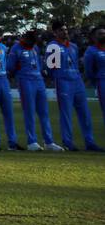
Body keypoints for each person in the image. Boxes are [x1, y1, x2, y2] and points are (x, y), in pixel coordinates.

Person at [46, 21, 102, 151]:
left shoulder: (73, 46)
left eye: (65, 29)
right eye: (61, 30)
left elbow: (75, 64)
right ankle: (68, 142)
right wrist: (59, 76)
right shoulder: (53, 46)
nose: (64, 31)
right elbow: (50, 68)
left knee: (85, 113)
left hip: (77, 81)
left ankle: (90, 142)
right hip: (63, 81)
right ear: (55, 32)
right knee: (66, 113)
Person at [8, 30, 60, 151]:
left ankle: (49, 142)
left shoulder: (35, 47)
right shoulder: (16, 48)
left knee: (44, 112)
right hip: (25, 81)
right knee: (29, 112)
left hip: (38, 80)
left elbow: (39, 63)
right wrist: (19, 76)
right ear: (25, 38)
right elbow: (10, 67)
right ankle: (32, 141)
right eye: (31, 41)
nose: (32, 44)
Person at [85, 28, 105, 118]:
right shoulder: (91, 50)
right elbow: (89, 70)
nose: (103, 35)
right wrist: (95, 81)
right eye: (100, 34)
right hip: (102, 81)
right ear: (94, 37)